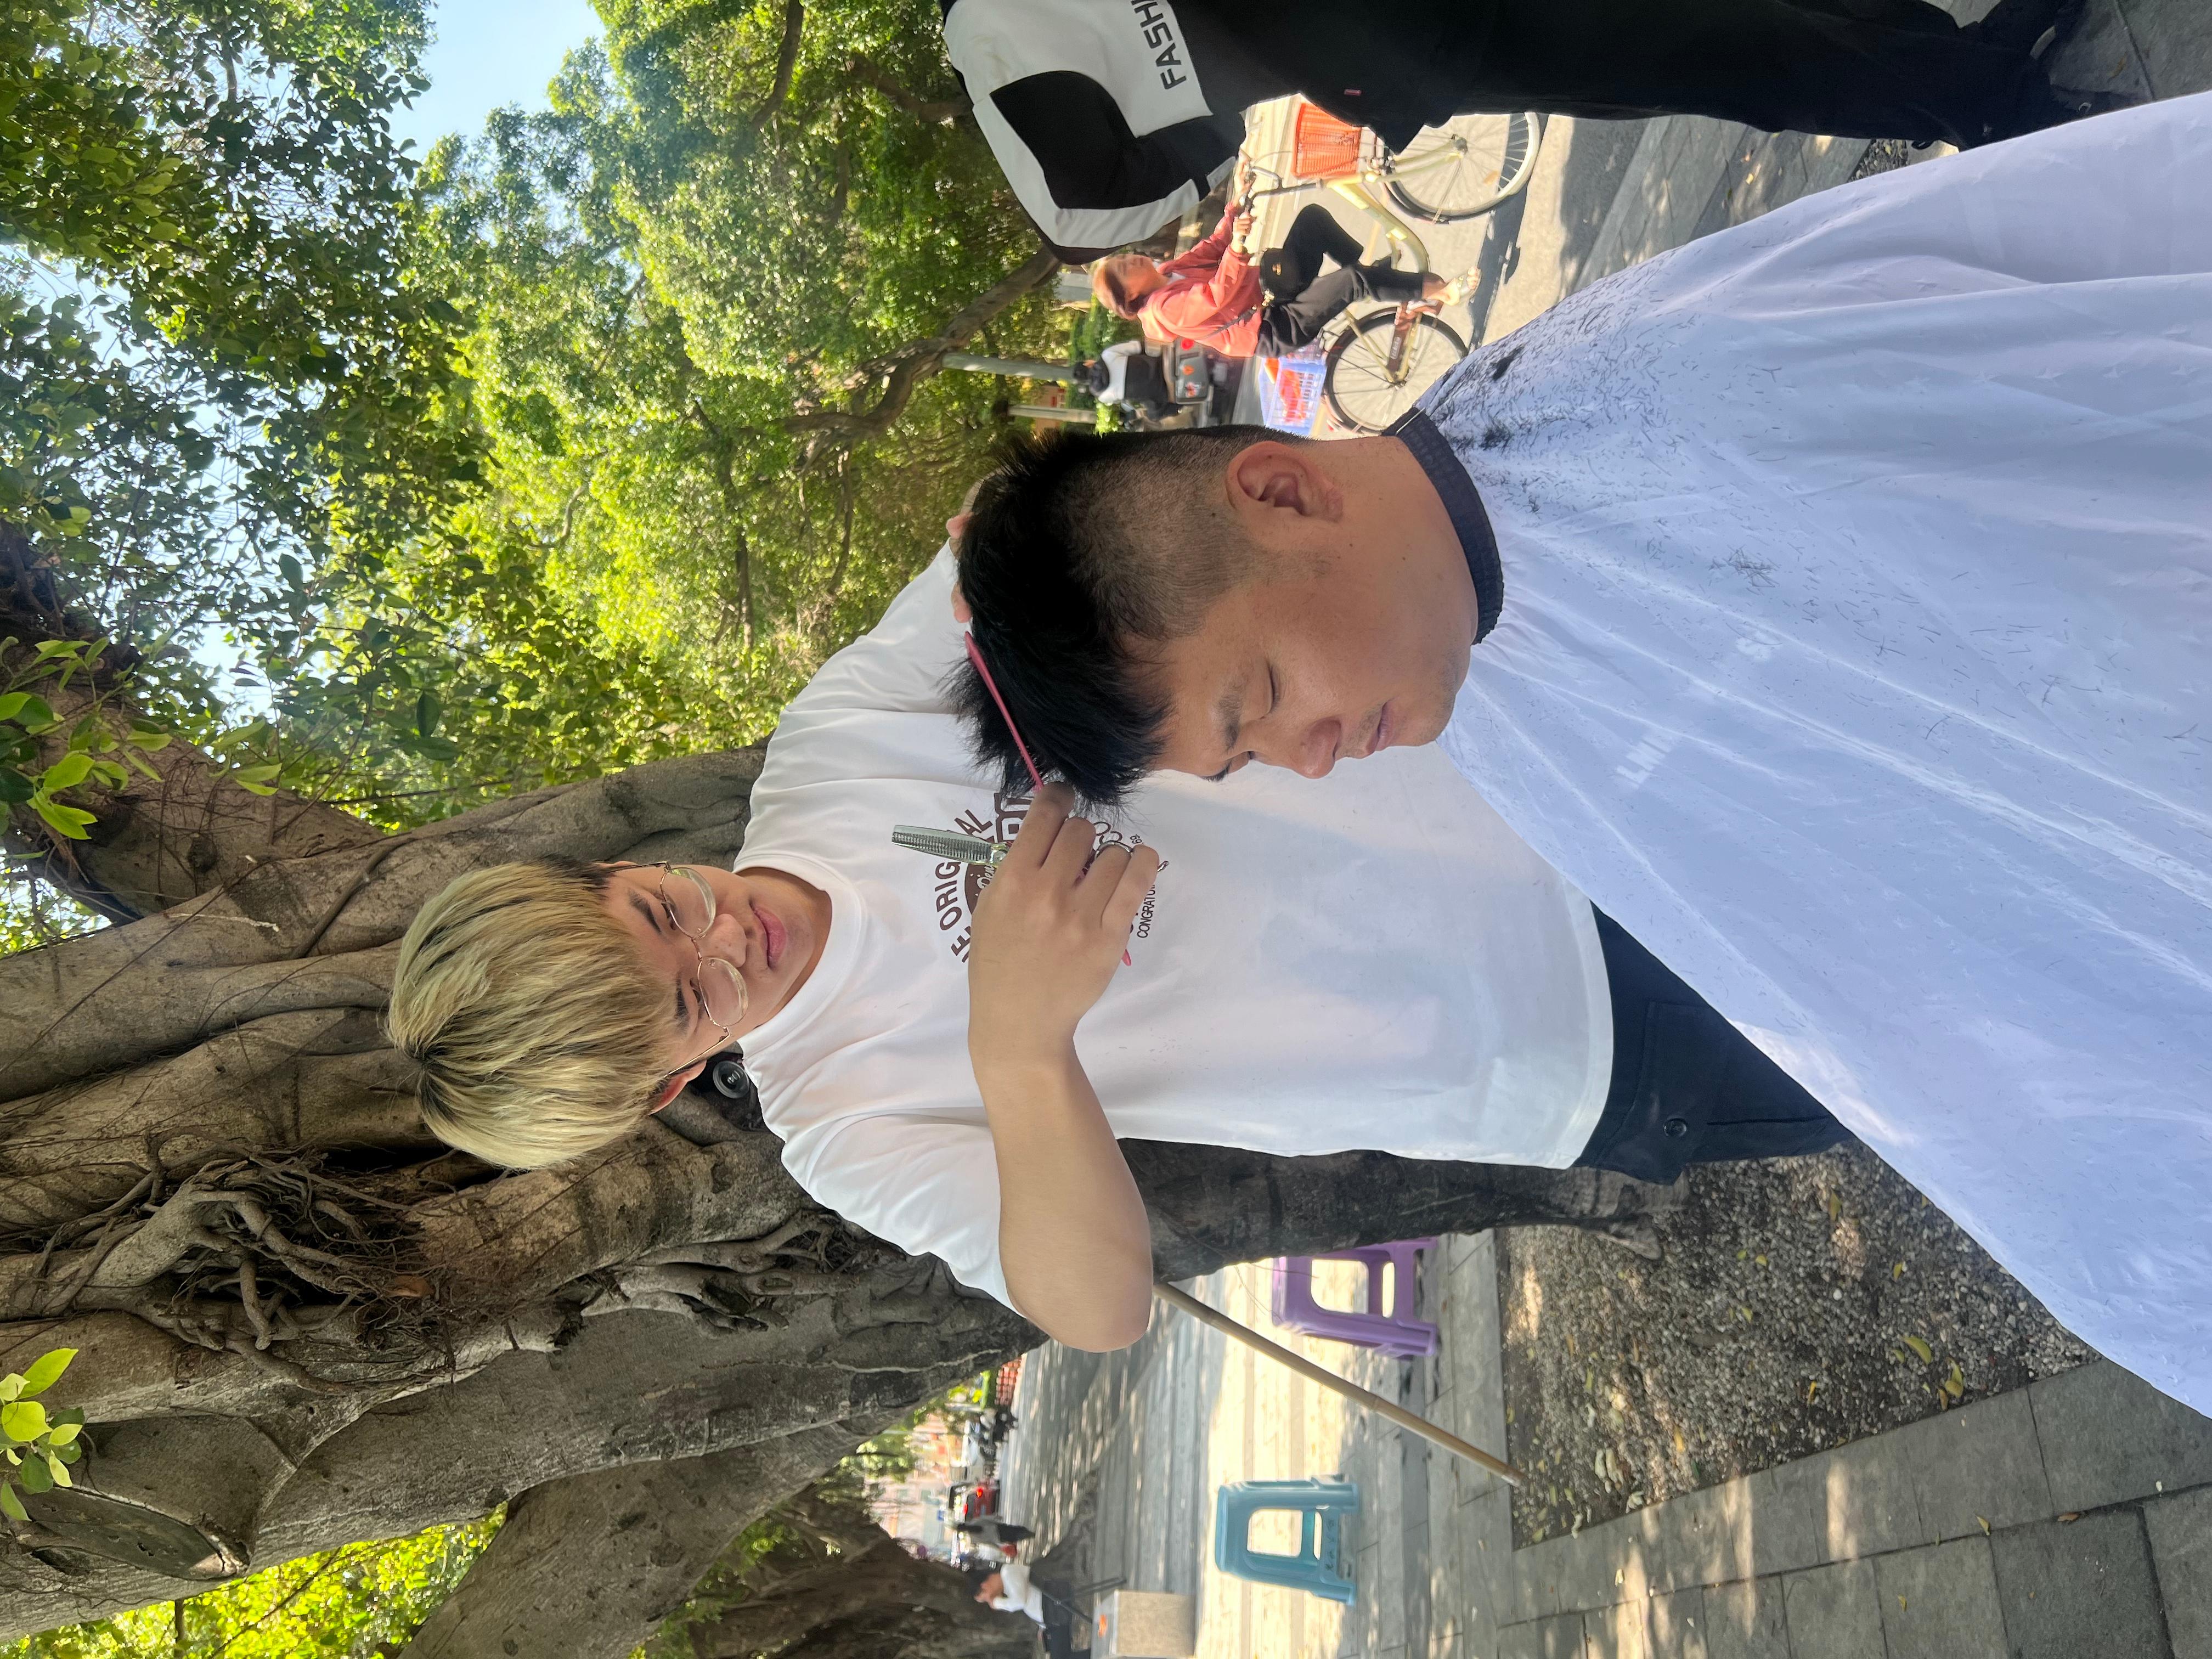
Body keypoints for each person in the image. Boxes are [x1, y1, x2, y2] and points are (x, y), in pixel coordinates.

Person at [948, 94, 2212, 1409]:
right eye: (1253, 759)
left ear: (1281, 491)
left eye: (1257, 695)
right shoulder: (1498, 721)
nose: (1308, 757)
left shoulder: (1688, 384)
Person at [390, 547, 1847, 1353]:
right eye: (694, 1000)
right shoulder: (844, 1121)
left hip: (1543, 771)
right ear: (671, 1082)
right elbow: (1094, 1309)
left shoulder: (835, 746)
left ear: (616, 867)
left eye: (664, 911)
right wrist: (1019, 1045)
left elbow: (1018, 545)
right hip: (1565, 1042)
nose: (728, 937)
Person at [939, 0, 2108, 261]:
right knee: (1708, 46)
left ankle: (1964, 71)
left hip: (1387, 40)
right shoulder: (985, 26)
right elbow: (1080, 210)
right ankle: (1983, 97)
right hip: (1398, 37)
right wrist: (1214, 136)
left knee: (1718, 28)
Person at [1093, 199, 1458, 360]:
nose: (1132, 260)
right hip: (1272, 327)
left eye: (1123, 257)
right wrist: (1238, 247)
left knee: (1312, 220)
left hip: (1271, 289)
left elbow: (1212, 247)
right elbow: (1215, 297)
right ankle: (1441, 292)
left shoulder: (1167, 272)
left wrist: (1234, 211)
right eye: (1125, 270)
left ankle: (1381, 281)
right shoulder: (1164, 311)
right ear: (1131, 294)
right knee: (1353, 282)